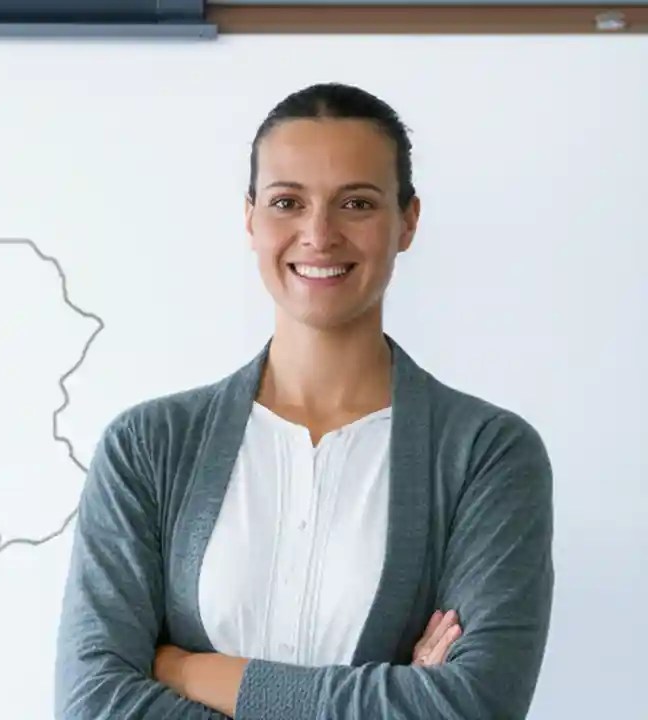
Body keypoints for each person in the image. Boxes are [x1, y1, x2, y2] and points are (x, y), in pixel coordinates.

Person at [52, 83, 554, 719]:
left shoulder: (486, 454)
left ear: (408, 222)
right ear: (250, 219)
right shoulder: (147, 447)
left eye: (357, 203)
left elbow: (472, 707)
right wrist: (395, 697)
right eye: (288, 202)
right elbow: (93, 703)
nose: (319, 234)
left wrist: (185, 669)